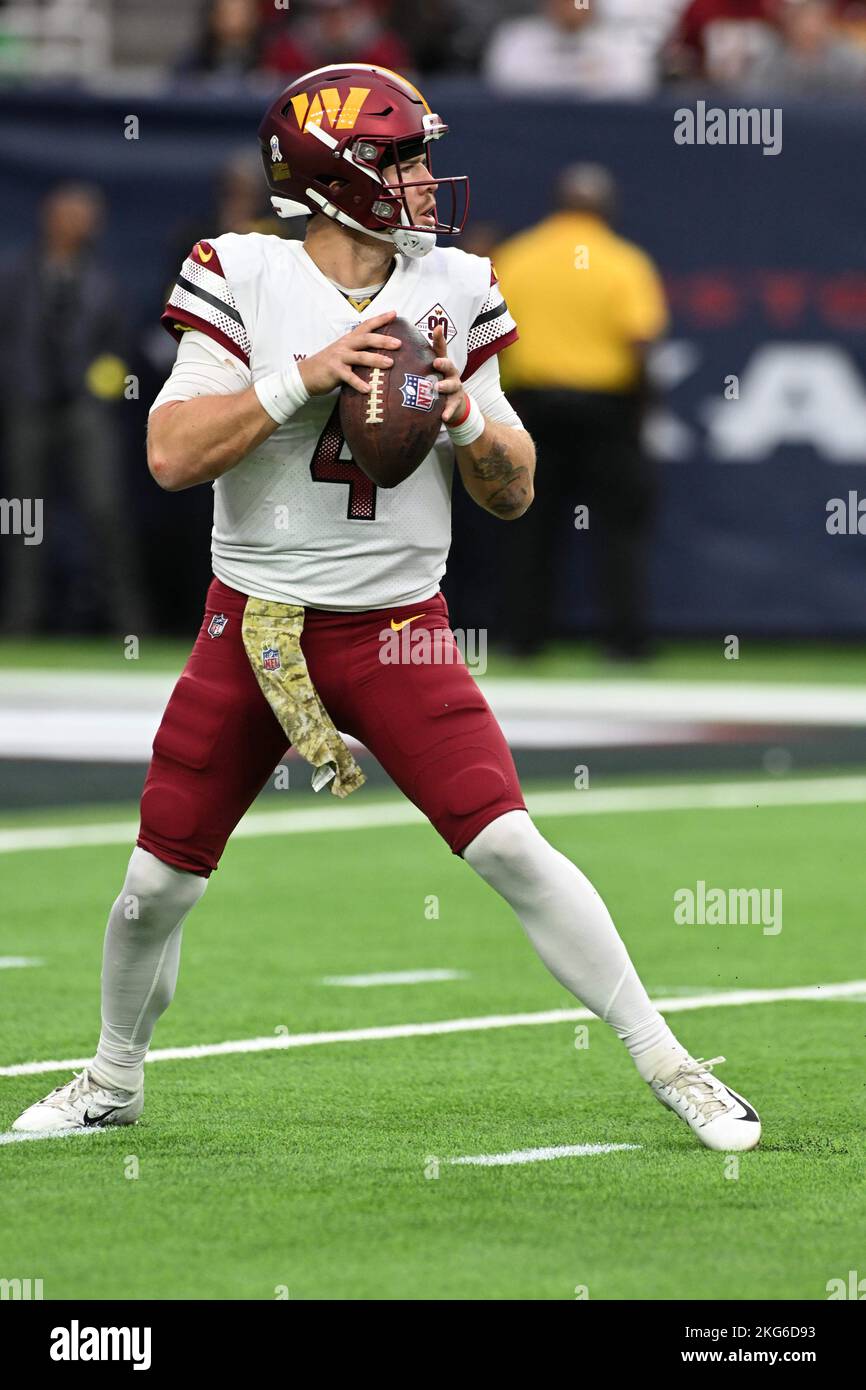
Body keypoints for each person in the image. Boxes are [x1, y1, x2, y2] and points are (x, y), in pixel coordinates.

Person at [13, 65, 759, 1153]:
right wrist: (304, 376)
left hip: (395, 626)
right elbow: (170, 454)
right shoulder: (243, 271)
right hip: (255, 625)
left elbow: (513, 489)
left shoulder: (451, 280)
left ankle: (670, 1062)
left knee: (508, 845)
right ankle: (113, 1076)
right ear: (337, 174)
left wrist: (464, 418)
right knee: (153, 886)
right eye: (401, 156)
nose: (421, 178)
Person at [494, 164, 668, 660]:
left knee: (528, 523)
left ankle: (522, 638)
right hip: (605, 411)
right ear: (605, 206)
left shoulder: (517, 257)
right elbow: (641, 342)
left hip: (532, 406)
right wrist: (646, 409)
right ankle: (626, 640)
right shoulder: (623, 262)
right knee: (618, 529)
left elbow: (485, 339)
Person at [0, 183, 148, 635]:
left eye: (89, 216)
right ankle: (21, 620)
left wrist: (104, 386)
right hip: (28, 409)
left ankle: (129, 623)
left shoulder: (106, 283)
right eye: (73, 214)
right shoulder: (14, 276)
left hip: (86, 412)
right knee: (23, 515)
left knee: (105, 511)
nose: (82, 224)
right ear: (50, 217)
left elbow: (121, 349)